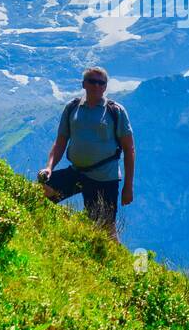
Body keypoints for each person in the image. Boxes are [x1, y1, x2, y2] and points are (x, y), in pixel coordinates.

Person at [37, 66, 135, 239]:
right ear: (84, 84)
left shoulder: (115, 111)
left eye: (101, 83)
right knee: (39, 193)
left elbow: (129, 149)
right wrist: (49, 167)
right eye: (92, 81)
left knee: (103, 230)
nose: (96, 86)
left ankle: (115, 262)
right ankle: (43, 235)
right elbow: (61, 141)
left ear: (105, 87)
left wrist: (128, 187)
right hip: (76, 172)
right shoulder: (72, 107)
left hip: (104, 179)